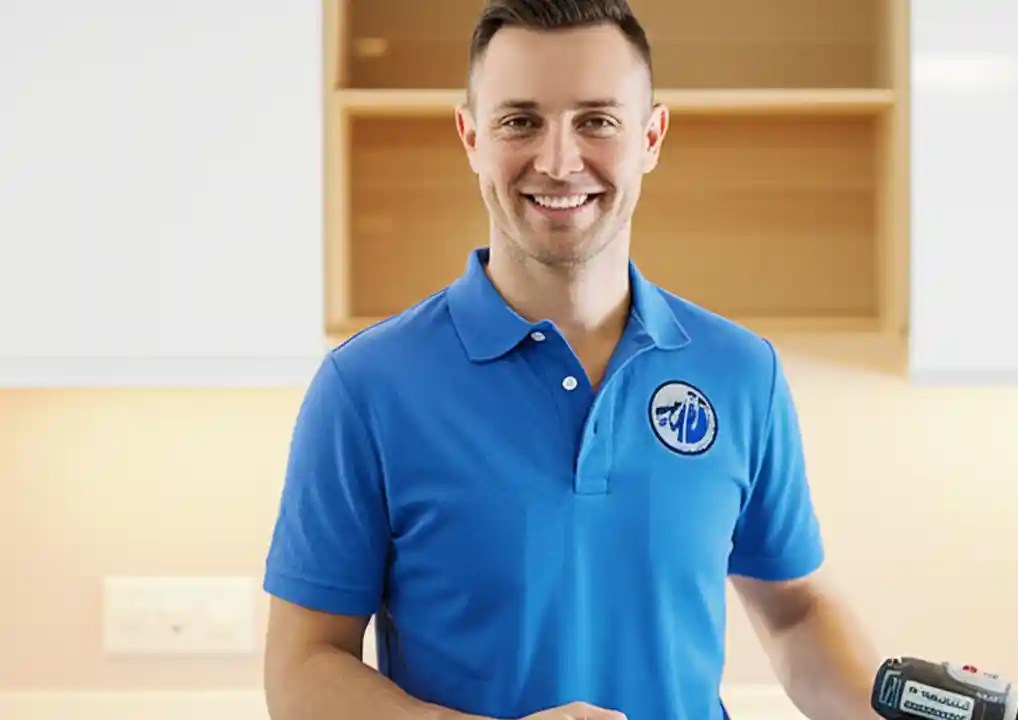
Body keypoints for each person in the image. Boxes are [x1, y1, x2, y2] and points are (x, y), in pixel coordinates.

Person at [262, 1, 881, 719]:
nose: (558, 161)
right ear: (470, 136)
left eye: (597, 120)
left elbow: (795, 609)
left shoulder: (743, 373)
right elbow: (303, 666)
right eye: (520, 121)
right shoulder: (364, 388)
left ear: (651, 136)